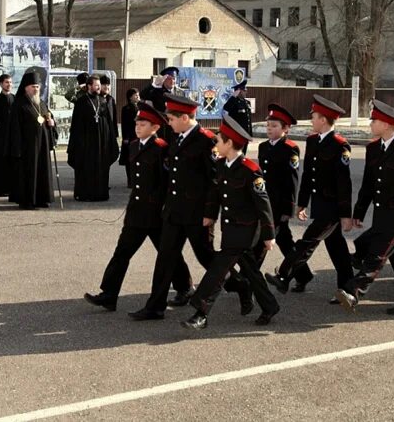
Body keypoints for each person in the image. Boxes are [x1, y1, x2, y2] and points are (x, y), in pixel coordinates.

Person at [129, 94, 251, 321]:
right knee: (165, 258)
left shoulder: (206, 141)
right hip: (175, 212)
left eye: (172, 119)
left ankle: (240, 285)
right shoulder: (178, 136)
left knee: (207, 258)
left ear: (185, 118)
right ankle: (155, 307)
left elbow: (215, 182)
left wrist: (209, 214)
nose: (169, 123)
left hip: (197, 215)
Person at [84, 102, 193, 311]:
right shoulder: (134, 146)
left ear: (155, 128)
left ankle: (184, 287)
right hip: (136, 212)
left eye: (143, 124)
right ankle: (109, 294)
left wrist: (163, 207)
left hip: (156, 214)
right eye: (137, 124)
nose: (138, 128)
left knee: (167, 253)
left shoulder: (161, 149)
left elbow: (167, 183)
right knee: (122, 252)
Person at [182, 115, 280, 330]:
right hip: (231, 227)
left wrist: (268, 234)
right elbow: (215, 193)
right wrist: (209, 215)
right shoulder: (222, 164)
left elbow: (263, 205)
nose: (215, 144)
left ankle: (201, 313)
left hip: (245, 230)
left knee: (218, 268)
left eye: (218, 141)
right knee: (250, 270)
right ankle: (270, 305)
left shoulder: (250, 170)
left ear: (229, 143)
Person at [335, 100, 394, 314]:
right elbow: (368, 184)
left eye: (374, 120)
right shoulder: (373, 148)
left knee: (376, 255)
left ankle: (355, 291)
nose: (371, 124)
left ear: (386, 124)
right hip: (381, 213)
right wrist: (359, 211)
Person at [265, 95, 354, 303]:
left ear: (323, 119)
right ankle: (347, 289)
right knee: (337, 247)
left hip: (332, 208)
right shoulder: (313, 141)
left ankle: (284, 275)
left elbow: (344, 184)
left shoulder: (340, 145)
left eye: (314, 116)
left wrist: (345, 214)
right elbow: (307, 175)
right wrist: (302, 202)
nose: (311, 119)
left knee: (308, 242)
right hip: (319, 204)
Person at [257, 103, 312, 290]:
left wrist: (289, 208)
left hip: (280, 205)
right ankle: (303, 274)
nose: (270, 129)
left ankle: (250, 279)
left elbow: (292, 181)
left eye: (274, 126)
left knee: (263, 241)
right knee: (284, 241)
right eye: (268, 126)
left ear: (286, 128)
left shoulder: (290, 149)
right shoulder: (263, 147)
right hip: (266, 202)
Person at [8, 71, 56, 210]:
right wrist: (16, 147)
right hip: (27, 146)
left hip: (42, 144)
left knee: (42, 171)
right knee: (29, 173)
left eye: (38, 86)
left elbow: (47, 119)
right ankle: (27, 200)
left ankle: (41, 198)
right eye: (33, 86)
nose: (36, 89)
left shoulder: (41, 103)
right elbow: (15, 128)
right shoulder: (19, 104)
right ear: (26, 88)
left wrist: (52, 122)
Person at [67, 74, 118, 201]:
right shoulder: (81, 101)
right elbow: (76, 124)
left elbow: (108, 121)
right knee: (87, 168)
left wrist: (111, 138)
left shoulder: (103, 101)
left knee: (101, 167)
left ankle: (101, 193)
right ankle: (85, 194)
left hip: (102, 142)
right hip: (86, 142)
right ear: (89, 86)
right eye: (96, 85)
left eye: (99, 86)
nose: (99, 88)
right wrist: (77, 143)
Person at [222, 79, 252, 153]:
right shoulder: (234, 102)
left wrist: (250, 134)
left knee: (243, 155)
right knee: (236, 155)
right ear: (239, 91)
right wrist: (233, 97)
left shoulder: (247, 103)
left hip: (245, 135)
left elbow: (248, 119)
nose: (246, 92)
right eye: (244, 90)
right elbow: (226, 107)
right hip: (237, 134)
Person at [119, 88, 140, 188]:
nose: (137, 96)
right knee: (129, 160)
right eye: (135, 95)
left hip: (139, 135)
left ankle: (137, 180)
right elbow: (125, 124)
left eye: (138, 95)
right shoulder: (126, 109)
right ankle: (130, 180)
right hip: (131, 136)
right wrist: (125, 137)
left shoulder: (141, 107)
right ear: (130, 97)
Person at [100, 74, 118, 140]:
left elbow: (114, 117)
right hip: (100, 133)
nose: (106, 87)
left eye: (108, 85)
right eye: (104, 84)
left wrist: (115, 133)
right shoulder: (96, 99)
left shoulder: (111, 99)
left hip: (110, 132)